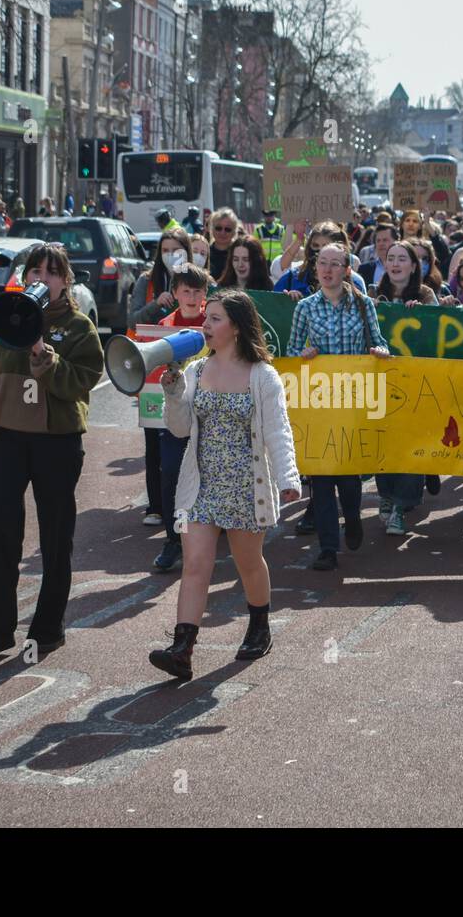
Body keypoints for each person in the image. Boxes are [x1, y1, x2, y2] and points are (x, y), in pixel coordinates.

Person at [0, 243, 104, 660]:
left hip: (56, 442)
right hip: (9, 440)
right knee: (0, 530)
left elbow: (77, 386)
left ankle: (47, 627)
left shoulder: (80, 329)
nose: (43, 278)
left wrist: (44, 353)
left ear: (66, 280)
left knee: (55, 535)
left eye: (52, 271)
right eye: (35, 271)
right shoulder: (8, 321)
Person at [151, 290, 301, 679]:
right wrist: (172, 392)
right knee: (196, 564)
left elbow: (277, 431)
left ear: (236, 326)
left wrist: (288, 479)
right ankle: (182, 650)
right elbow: (180, 427)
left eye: (215, 318)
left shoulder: (262, 375)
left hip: (245, 486)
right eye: (206, 317)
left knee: (247, 564)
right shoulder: (197, 371)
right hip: (201, 485)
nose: (206, 325)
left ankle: (259, 626)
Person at [287, 242, 390, 570]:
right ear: (315, 268)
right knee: (320, 476)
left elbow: (379, 340)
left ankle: (354, 518)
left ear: (347, 270)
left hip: (352, 400)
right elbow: (289, 351)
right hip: (319, 401)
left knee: (347, 477)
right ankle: (328, 547)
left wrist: (380, 352)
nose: (328, 269)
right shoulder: (305, 307)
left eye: (335, 264)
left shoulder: (363, 305)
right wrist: (301, 356)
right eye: (322, 263)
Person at [130, 228, 196, 528]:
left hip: (191, 374)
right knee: (154, 439)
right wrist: (157, 303)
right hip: (155, 374)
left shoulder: (196, 279)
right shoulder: (146, 281)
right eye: (166, 250)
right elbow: (131, 319)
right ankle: (156, 505)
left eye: (177, 249)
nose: (172, 255)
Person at [373, 241, 436, 536]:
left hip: (415, 387)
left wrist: (423, 313)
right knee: (383, 443)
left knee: (410, 446)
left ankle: (399, 507)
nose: (396, 263)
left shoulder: (426, 295)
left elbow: (438, 331)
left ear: (414, 266)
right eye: (391, 258)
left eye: (403, 259)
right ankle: (386, 496)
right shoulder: (374, 296)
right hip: (381, 384)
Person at [150, 264, 210, 572]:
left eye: (197, 290)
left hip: (209, 419)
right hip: (175, 417)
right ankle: (174, 540)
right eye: (185, 290)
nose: (191, 296)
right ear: (174, 294)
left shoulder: (213, 325)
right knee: (171, 475)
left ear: (205, 295)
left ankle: (208, 534)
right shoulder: (163, 325)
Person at [357, 222, 399, 288]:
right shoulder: (363, 269)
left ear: (396, 242)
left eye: (385, 240)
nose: (381, 244)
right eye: (378, 241)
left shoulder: (404, 268)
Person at [206, 208, 240, 280]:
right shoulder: (205, 252)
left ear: (234, 232)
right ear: (212, 229)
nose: (222, 232)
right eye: (218, 228)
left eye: (227, 229)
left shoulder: (240, 254)